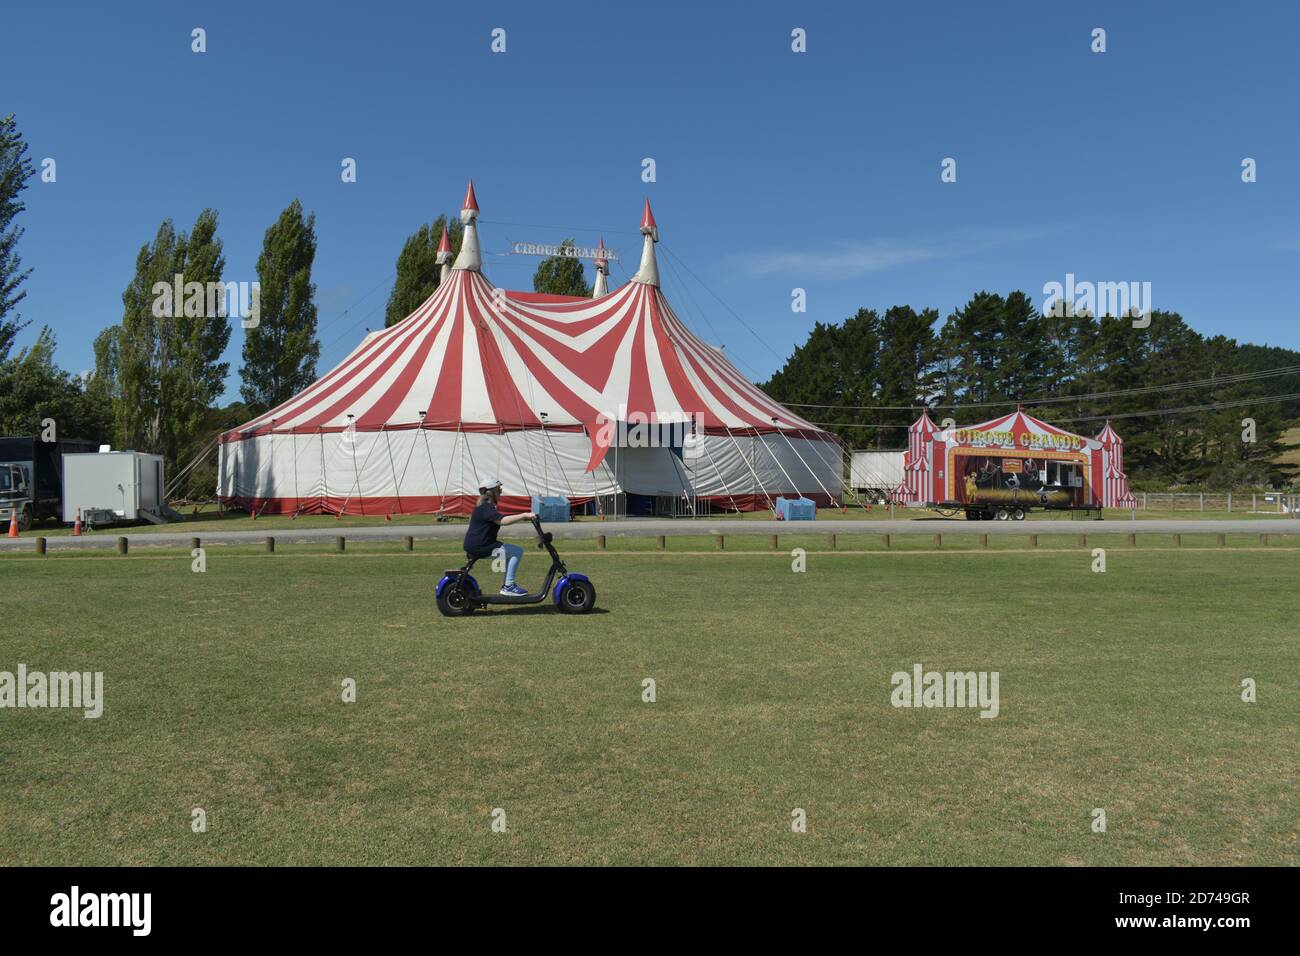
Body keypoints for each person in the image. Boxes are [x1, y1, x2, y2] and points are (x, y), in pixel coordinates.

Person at [464, 479, 536, 595]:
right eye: (499, 490)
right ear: (490, 493)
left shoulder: (484, 507)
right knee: (516, 551)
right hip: (482, 546)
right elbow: (502, 520)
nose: (500, 493)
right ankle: (508, 586)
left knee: (511, 551)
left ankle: (508, 585)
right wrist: (524, 515)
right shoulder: (486, 508)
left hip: (479, 544)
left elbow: (501, 518)